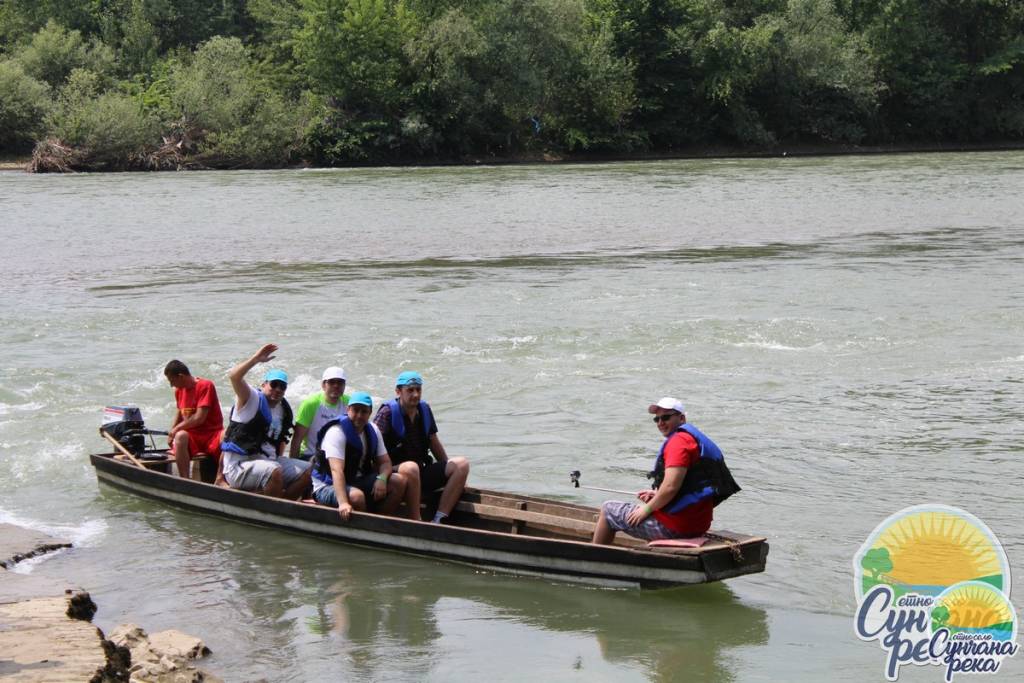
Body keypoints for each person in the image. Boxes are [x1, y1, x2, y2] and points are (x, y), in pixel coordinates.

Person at [591, 397, 740, 545]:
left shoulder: (678, 444)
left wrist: (647, 509)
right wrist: (657, 495)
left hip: (675, 527)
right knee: (641, 505)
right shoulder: (692, 440)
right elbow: (685, 485)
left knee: (608, 510)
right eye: (657, 419)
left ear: (681, 418)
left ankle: (593, 558)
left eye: (666, 417)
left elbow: (670, 487)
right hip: (698, 524)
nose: (661, 423)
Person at [373, 371, 469, 523]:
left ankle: (439, 518)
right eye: (410, 390)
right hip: (394, 473)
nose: (415, 394)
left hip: (420, 470)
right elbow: (373, 448)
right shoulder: (387, 413)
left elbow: (433, 441)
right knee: (411, 468)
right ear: (398, 392)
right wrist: (381, 477)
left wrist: (451, 473)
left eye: (418, 390)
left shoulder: (424, 410)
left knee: (461, 465)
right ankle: (416, 519)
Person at [218, 343, 311, 498]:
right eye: (274, 385)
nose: (278, 389)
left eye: (282, 387)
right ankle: (275, 507)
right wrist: (256, 359)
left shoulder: (283, 409)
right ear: (263, 385)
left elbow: (279, 443)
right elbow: (234, 376)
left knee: (309, 470)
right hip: (239, 467)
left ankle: (284, 504)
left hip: (269, 462)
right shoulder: (250, 399)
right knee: (274, 470)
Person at [312, 392, 413, 521]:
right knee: (356, 497)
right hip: (326, 484)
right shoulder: (336, 432)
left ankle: (380, 521)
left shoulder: (373, 430)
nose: (359, 415)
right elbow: (336, 471)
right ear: (348, 410)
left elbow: (385, 463)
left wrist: (381, 479)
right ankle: (367, 525)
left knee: (399, 481)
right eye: (355, 410)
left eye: (364, 411)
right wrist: (343, 503)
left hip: (356, 479)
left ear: (370, 413)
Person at [164, 360, 224, 480]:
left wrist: (177, 428)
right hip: (193, 436)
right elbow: (180, 412)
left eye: (172, 381)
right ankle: (185, 479)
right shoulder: (178, 391)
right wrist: (172, 432)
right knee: (180, 436)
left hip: (212, 434)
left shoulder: (206, 386)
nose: (172, 385)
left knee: (228, 435)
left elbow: (199, 418)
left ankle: (222, 477)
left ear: (181, 376)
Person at [290, 366, 349, 461]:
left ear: (344, 385)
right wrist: (293, 465)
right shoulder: (310, 404)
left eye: (340, 382)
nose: (336, 386)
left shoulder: (349, 403)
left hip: (337, 456)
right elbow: (297, 439)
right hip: (310, 455)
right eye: (332, 382)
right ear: (323, 385)